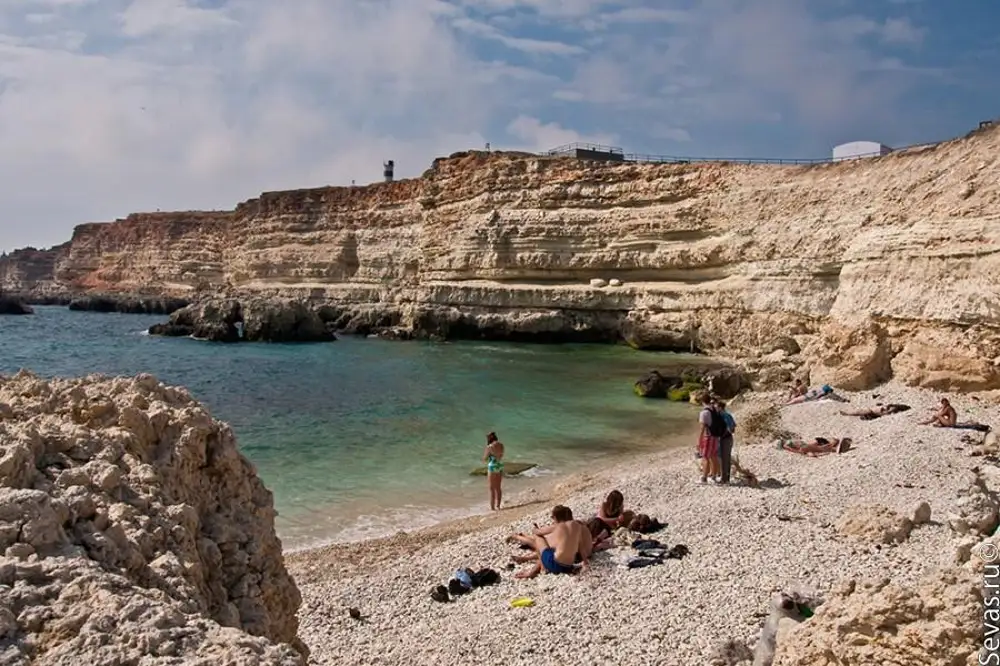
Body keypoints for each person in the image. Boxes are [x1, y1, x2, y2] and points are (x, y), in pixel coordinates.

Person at [514, 505, 592, 579]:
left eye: (552, 517)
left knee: (538, 538)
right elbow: (581, 546)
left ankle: (538, 570)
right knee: (552, 549)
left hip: (555, 565)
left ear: (555, 517)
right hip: (568, 567)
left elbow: (537, 532)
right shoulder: (576, 526)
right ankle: (536, 565)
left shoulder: (557, 526)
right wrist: (585, 563)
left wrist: (535, 528)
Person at [698, 394, 725, 484]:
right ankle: (714, 477)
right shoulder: (714, 410)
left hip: (708, 437)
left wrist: (699, 440)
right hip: (716, 437)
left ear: (702, 402)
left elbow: (702, 428)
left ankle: (704, 478)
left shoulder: (704, 412)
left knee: (705, 457)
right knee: (713, 456)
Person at [483, 432, 505, 511]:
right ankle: (498, 506)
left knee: (492, 488)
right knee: (498, 487)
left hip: (492, 466)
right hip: (500, 465)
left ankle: (492, 508)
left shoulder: (490, 447)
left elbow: (485, 458)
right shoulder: (501, 445)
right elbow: (501, 455)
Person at [716, 400, 736, 485]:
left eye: (716, 407)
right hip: (726, 438)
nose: (715, 408)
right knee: (724, 458)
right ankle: (725, 478)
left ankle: (725, 479)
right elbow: (733, 428)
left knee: (724, 459)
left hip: (725, 439)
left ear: (720, 407)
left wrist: (722, 434)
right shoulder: (727, 415)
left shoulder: (724, 416)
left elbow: (731, 429)